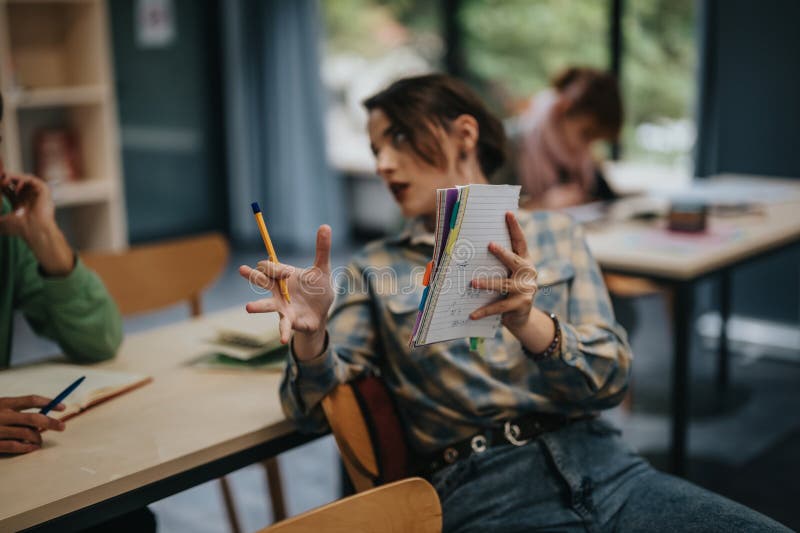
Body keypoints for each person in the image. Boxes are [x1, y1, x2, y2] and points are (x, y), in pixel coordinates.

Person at [239, 74, 788, 532]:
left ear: (465, 134)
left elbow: (614, 380)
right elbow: (312, 416)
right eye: (375, 148)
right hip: (484, 493)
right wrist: (311, 339)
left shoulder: (557, 235)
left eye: (399, 138)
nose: (383, 162)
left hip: (611, 468)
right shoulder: (372, 269)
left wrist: (531, 323)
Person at [516, 66, 622, 209]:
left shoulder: (584, 163)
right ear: (562, 110)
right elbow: (490, 215)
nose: (587, 147)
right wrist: (541, 204)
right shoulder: (513, 146)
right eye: (586, 134)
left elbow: (608, 201)